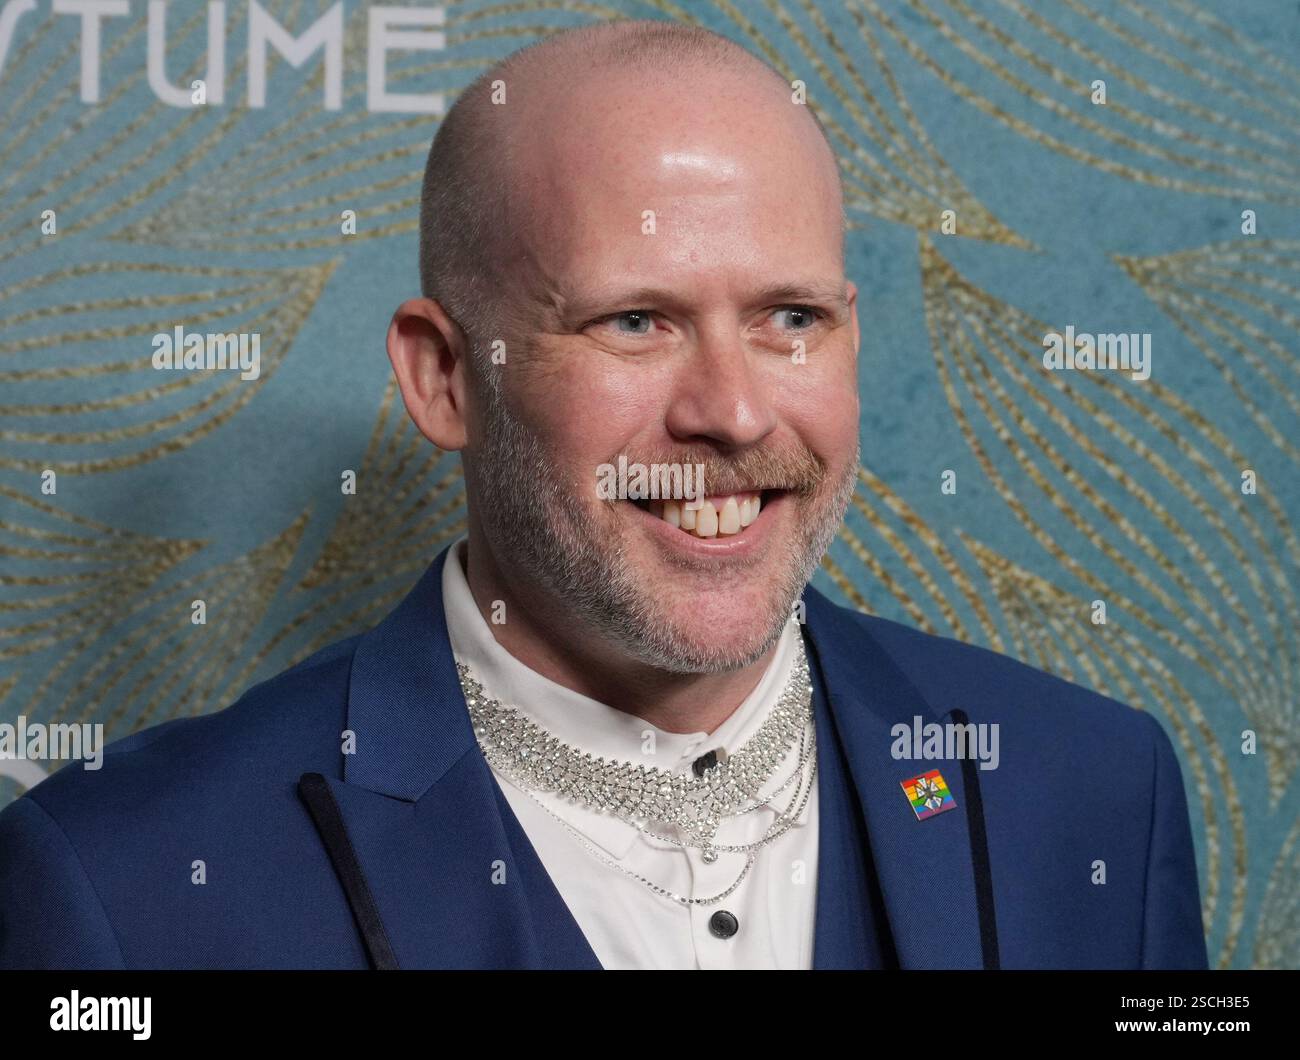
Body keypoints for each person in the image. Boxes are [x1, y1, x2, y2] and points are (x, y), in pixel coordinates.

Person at [0, 19, 1207, 970]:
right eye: (636, 321)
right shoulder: (129, 884)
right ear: (442, 376)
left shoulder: (1096, 791)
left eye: (790, 318)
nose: (732, 412)